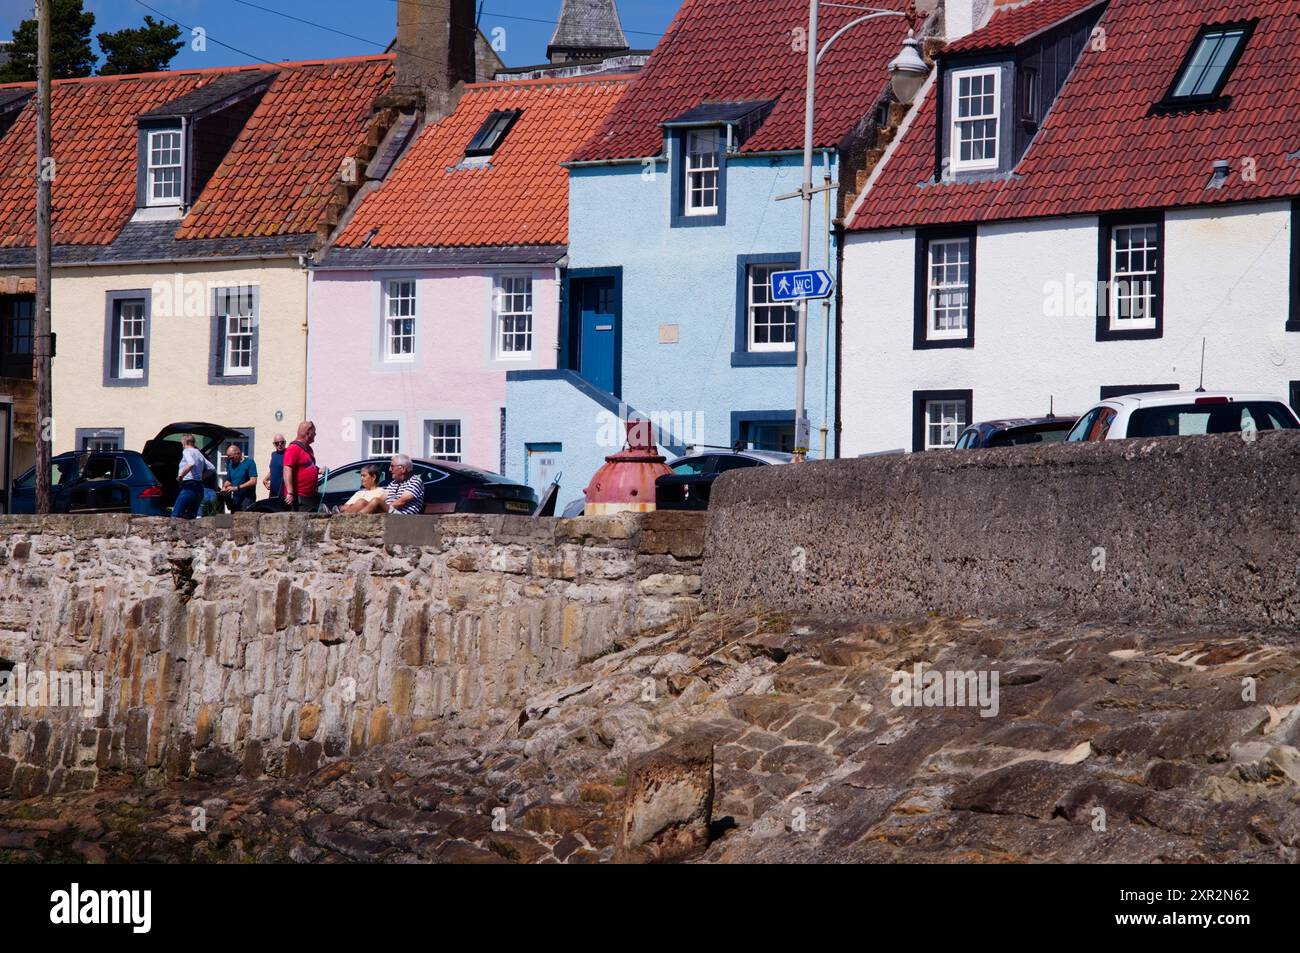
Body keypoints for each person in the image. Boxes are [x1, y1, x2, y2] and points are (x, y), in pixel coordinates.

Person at [282, 421, 321, 512]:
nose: (315, 434)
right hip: (298, 499)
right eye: (314, 432)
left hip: (309, 497)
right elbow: (287, 469)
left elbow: (306, 467)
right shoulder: (293, 448)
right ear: (308, 433)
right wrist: (290, 492)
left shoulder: (308, 449)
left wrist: (318, 470)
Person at [172, 434, 212, 520]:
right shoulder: (199, 453)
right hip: (199, 487)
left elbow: (191, 463)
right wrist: (201, 477)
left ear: (185, 442)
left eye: (182, 443)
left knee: (175, 515)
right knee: (191, 517)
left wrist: (180, 476)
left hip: (189, 486)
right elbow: (212, 468)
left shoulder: (187, 451)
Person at [219, 442, 258, 512]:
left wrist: (237, 488)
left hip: (247, 499)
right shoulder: (230, 465)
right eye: (229, 458)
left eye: (232, 457)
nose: (231, 460)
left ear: (238, 453)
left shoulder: (249, 463)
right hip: (235, 499)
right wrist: (224, 487)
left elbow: (253, 481)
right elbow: (229, 480)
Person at [262, 433, 287, 501]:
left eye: (282, 442)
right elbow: (272, 470)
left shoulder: (288, 453)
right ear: (274, 444)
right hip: (273, 491)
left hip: (283, 492)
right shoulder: (273, 454)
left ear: (285, 443)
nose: (280, 445)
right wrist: (265, 480)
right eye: (277, 443)